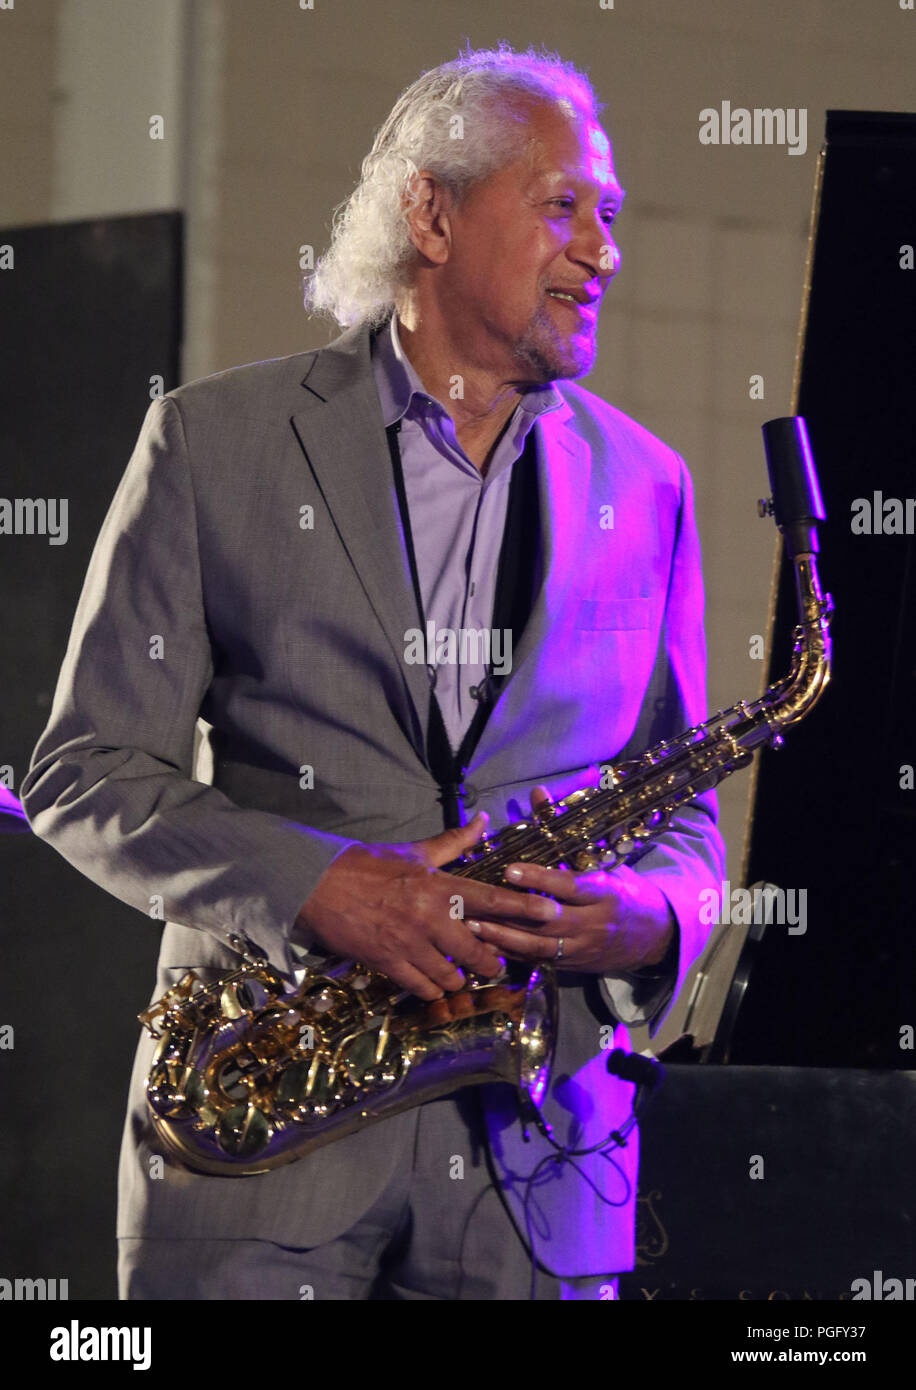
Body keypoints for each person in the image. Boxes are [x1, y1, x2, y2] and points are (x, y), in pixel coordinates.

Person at [20, 43, 725, 1300]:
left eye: (608, 216)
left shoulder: (653, 486)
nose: (602, 253)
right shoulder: (211, 440)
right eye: (560, 206)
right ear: (432, 212)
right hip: (259, 1141)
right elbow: (84, 773)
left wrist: (642, 918)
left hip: (539, 1166)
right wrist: (324, 885)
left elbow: (681, 820)